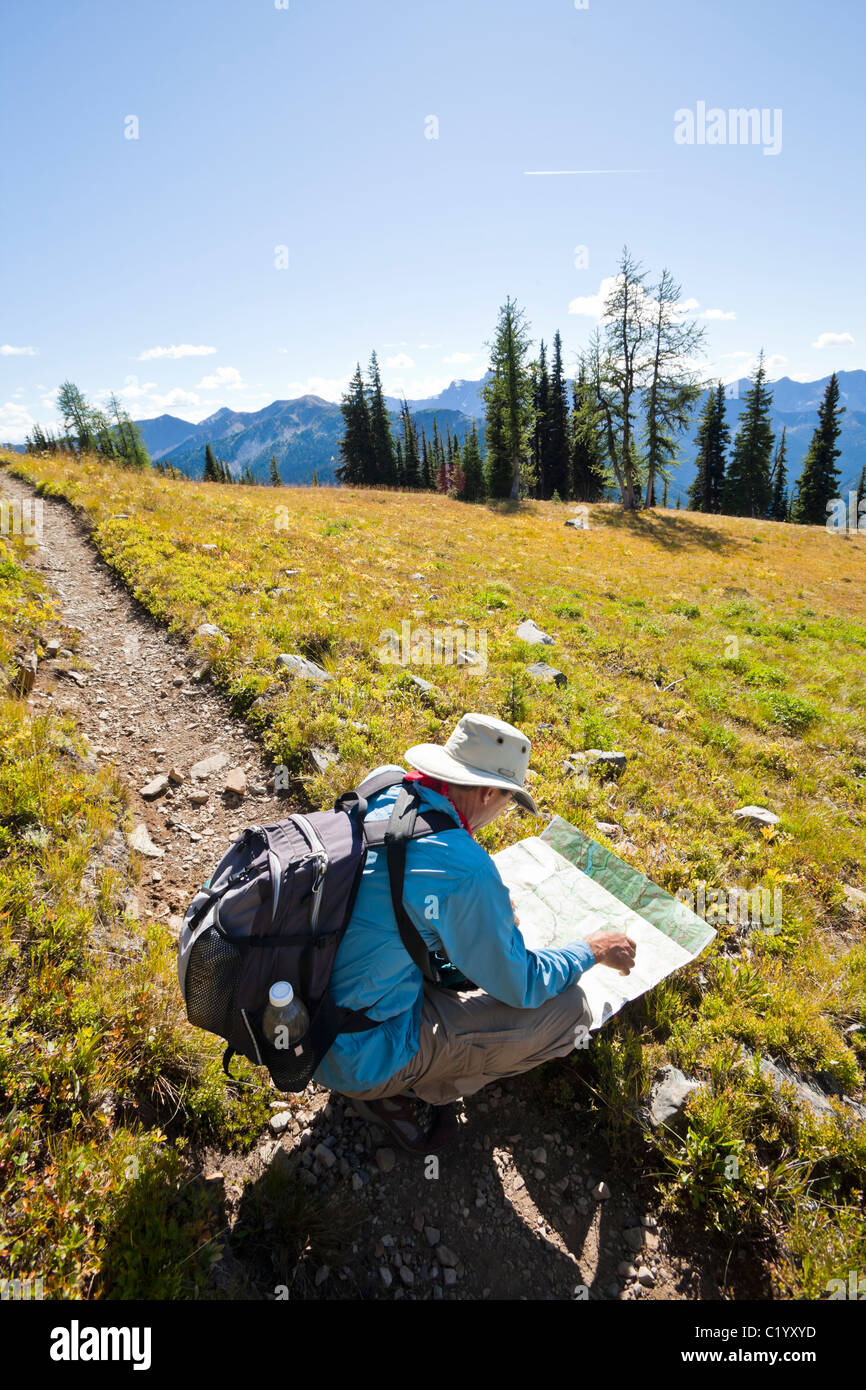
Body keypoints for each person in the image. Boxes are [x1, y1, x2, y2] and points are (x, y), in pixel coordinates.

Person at [313, 712, 637, 1152]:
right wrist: (591, 949)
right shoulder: (464, 868)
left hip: (304, 1004)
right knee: (570, 1010)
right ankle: (398, 1089)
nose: (503, 812)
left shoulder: (384, 785)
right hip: (354, 1051)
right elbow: (522, 984)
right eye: (507, 800)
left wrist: (473, 914)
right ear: (488, 791)